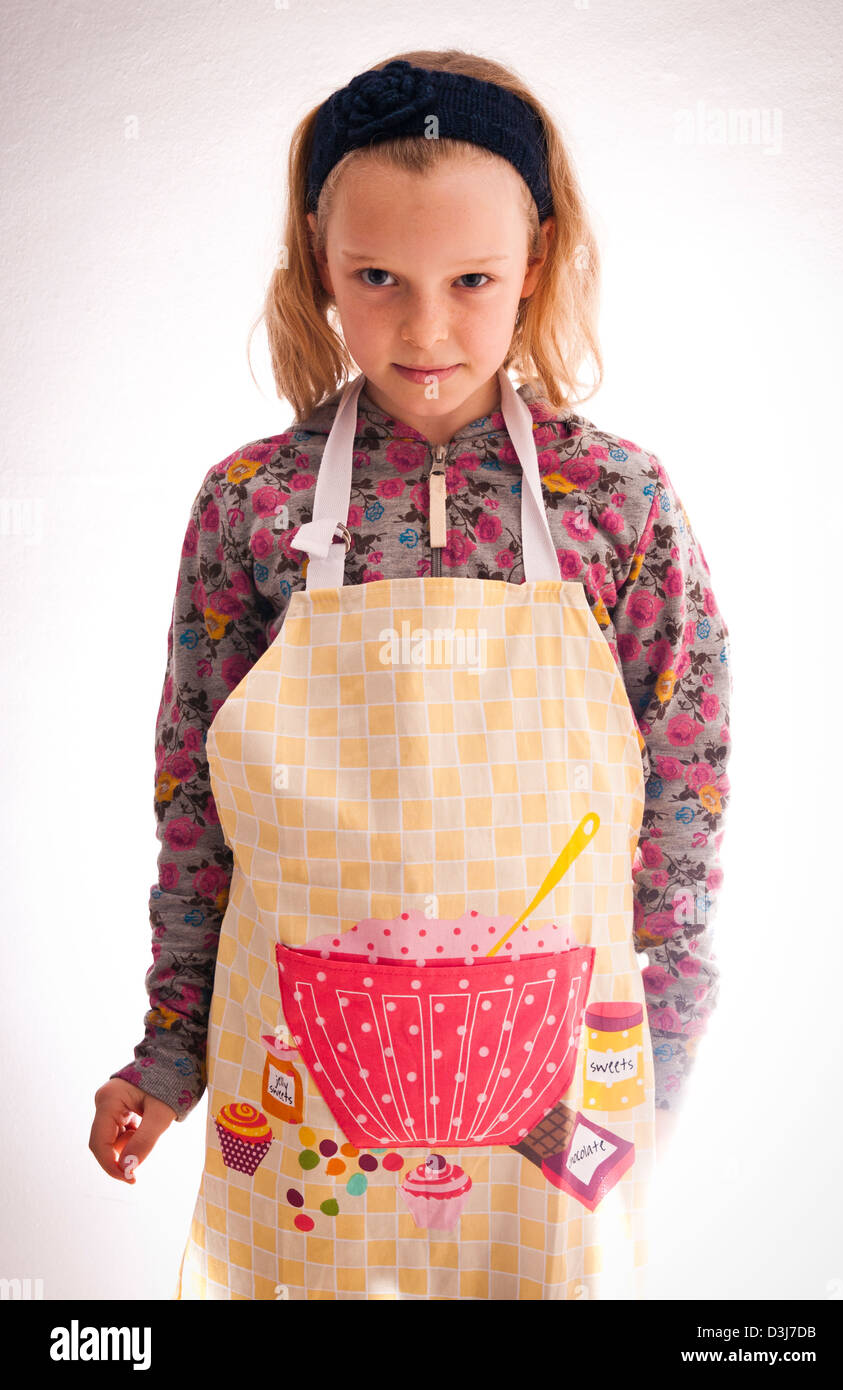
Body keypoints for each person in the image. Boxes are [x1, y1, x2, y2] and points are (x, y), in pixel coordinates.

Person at [90, 49, 731, 1299]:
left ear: (534, 266)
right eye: (375, 277)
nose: (424, 327)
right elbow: (191, 810)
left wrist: (661, 1059)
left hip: (553, 1089)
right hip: (302, 1077)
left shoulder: (621, 504)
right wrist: (169, 1056)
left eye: (471, 280)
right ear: (318, 265)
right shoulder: (252, 506)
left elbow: (684, 810)